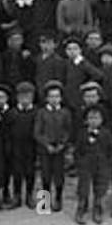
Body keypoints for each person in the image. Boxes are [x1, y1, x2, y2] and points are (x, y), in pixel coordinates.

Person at [34, 81, 73, 212]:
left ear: (61, 98)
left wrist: (62, 144)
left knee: (59, 175)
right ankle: (44, 202)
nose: (54, 99)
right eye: (51, 96)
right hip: (45, 149)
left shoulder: (65, 112)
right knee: (45, 175)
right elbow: (37, 132)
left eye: (57, 96)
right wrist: (46, 144)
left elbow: (68, 130)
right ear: (46, 98)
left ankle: (58, 198)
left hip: (60, 149)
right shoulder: (41, 113)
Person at [74, 105, 112, 225]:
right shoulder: (82, 133)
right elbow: (78, 150)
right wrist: (79, 163)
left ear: (101, 120)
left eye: (96, 118)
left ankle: (98, 207)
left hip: (102, 165)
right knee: (83, 187)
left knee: (100, 187)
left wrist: (108, 163)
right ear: (86, 120)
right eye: (90, 118)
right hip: (85, 165)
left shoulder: (106, 133)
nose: (93, 121)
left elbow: (111, 150)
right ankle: (81, 207)